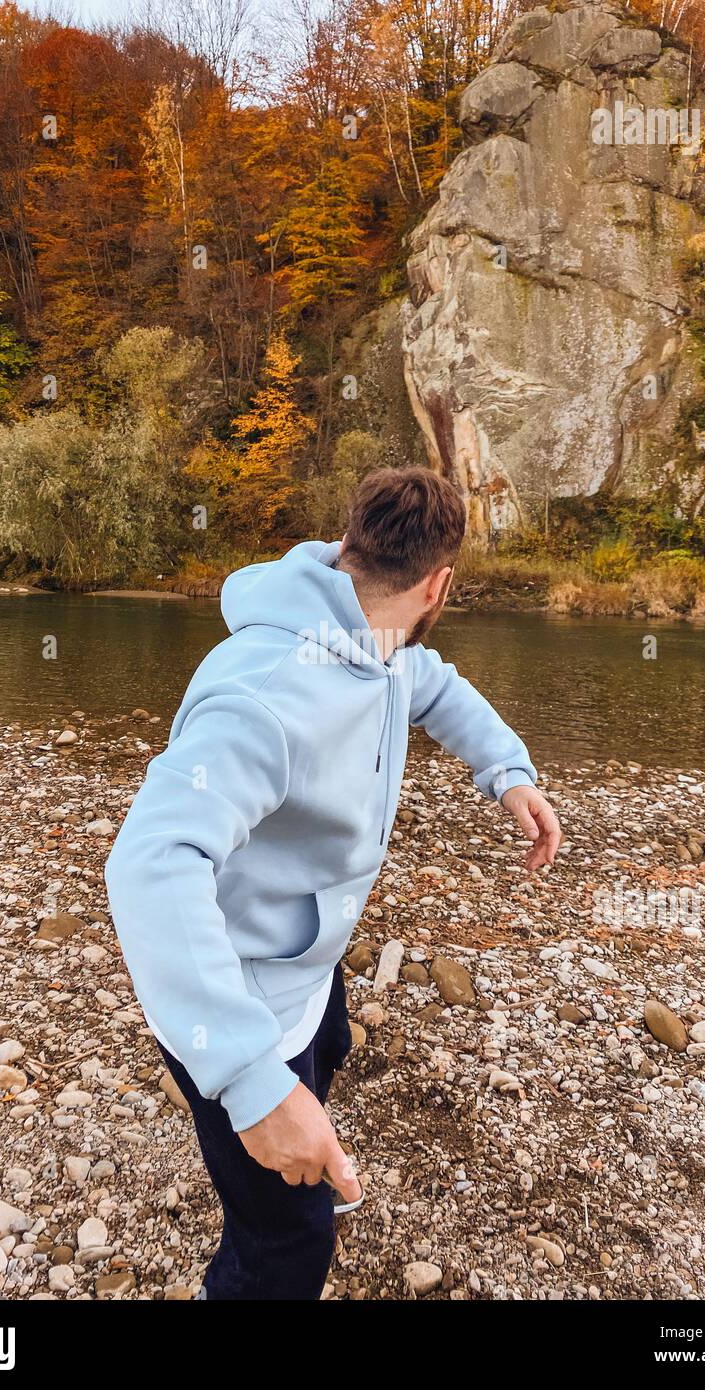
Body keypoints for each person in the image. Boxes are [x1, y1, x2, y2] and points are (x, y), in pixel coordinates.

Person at [105, 467, 561, 1300]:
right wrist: (251, 1083)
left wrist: (506, 772)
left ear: (350, 547)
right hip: (236, 1003)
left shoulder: (377, 637)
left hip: (307, 966)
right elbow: (149, 863)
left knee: (337, 1046)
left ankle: (296, 1126)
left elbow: (436, 687)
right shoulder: (264, 693)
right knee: (286, 1251)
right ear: (439, 584)